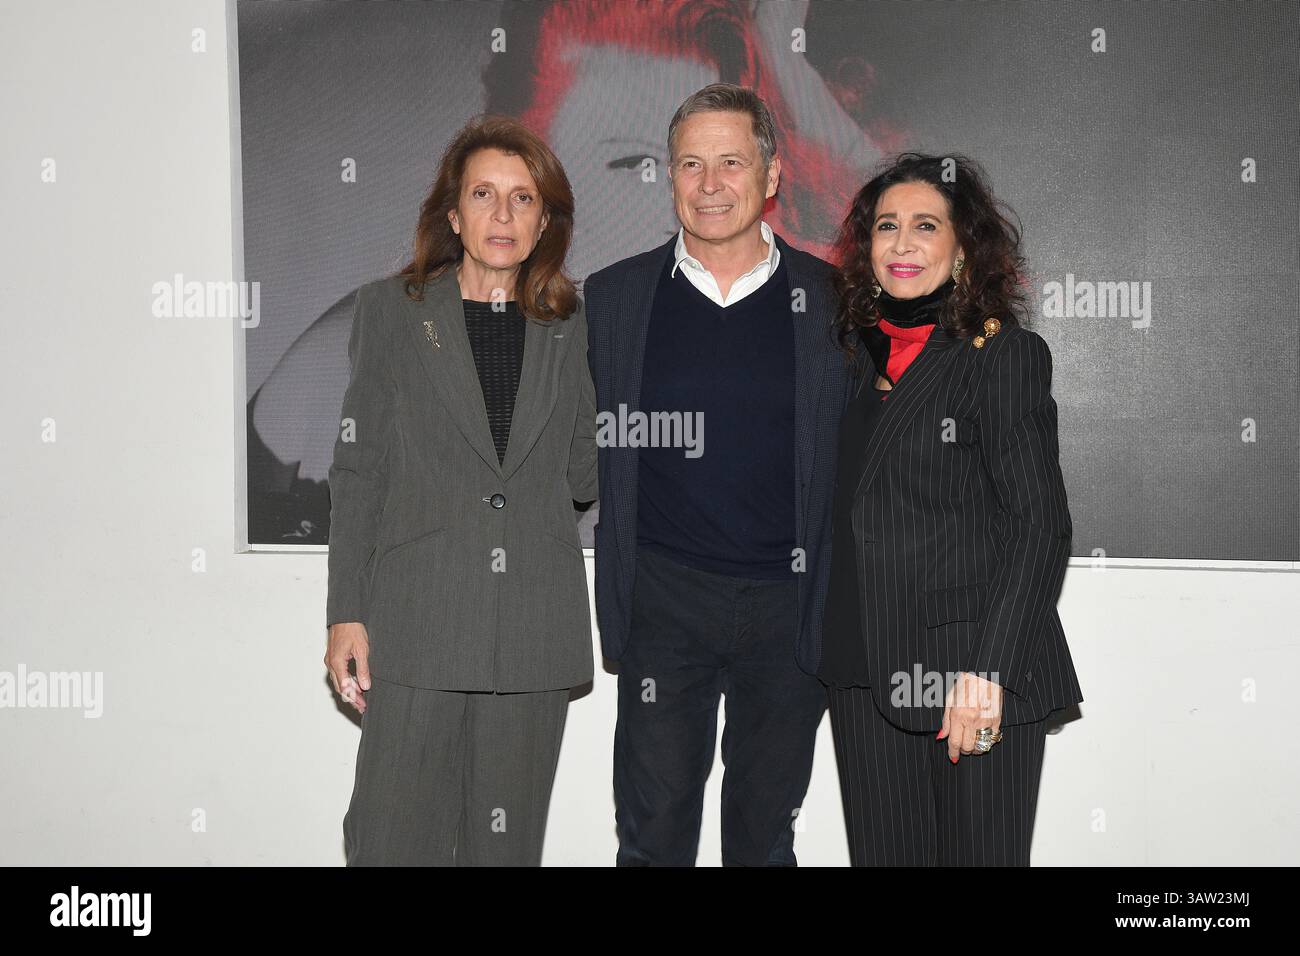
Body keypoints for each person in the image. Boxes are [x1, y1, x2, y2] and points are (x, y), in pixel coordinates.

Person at [584, 83, 850, 866]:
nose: (709, 185)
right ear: (667, 176)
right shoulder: (614, 299)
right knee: (654, 834)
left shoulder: (835, 303)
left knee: (763, 838)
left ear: (771, 176)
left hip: (788, 607)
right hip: (666, 601)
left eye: (731, 162)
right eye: (690, 164)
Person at [323, 116, 597, 866]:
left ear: (546, 219)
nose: (503, 215)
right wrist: (346, 612)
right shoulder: (392, 311)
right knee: (389, 845)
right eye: (484, 194)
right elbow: (358, 470)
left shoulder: (572, 322)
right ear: (453, 213)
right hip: (416, 626)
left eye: (523, 198)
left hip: (533, 637)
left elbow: (581, 475)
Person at [819, 152, 1084, 866]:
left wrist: (988, 671)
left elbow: (1040, 525)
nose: (902, 243)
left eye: (925, 226)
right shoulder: (849, 359)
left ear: (963, 248)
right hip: (863, 674)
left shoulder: (1001, 356)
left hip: (971, 676)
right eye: (886, 227)